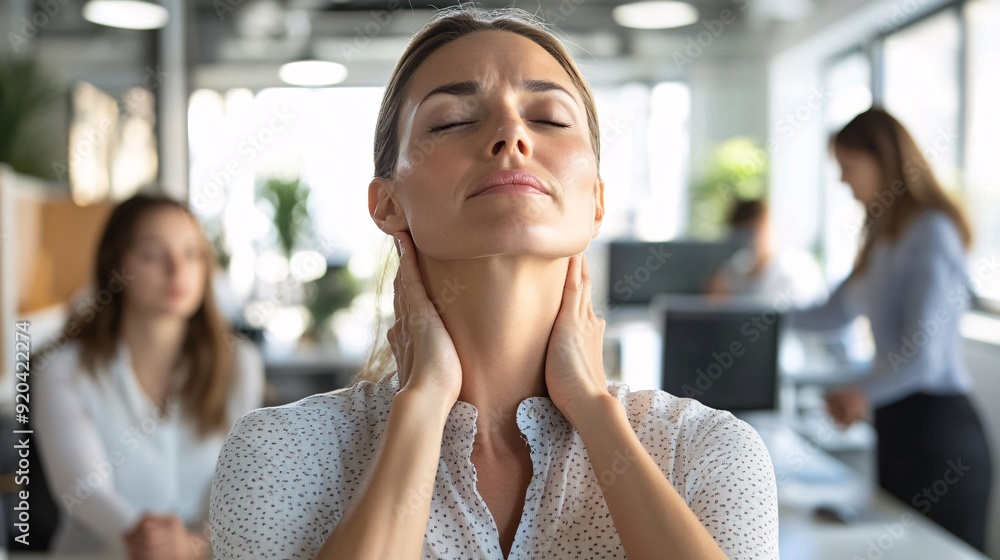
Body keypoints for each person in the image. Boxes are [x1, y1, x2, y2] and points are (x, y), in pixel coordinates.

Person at [210, 8, 778, 559]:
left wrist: (594, 409)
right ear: (387, 203)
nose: (511, 134)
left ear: (598, 200)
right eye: (453, 120)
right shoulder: (281, 453)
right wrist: (423, 404)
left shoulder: (703, 451)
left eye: (550, 118)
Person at [789, 108, 993, 552]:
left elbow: (924, 354)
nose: (843, 182)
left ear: (883, 160)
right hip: (898, 422)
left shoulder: (931, 232)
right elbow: (833, 312)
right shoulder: (883, 233)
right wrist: (755, 319)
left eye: (848, 168)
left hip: (937, 429)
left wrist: (860, 392)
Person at [34, 194, 265, 558]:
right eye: (152, 254)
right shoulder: (61, 369)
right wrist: (151, 542)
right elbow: (86, 492)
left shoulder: (240, 364)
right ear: (115, 265)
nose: (177, 269)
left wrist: (193, 546)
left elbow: (237, 483)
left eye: (191, 253)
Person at [708, 198, 825, 305]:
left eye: (752, 232)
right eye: (740, 234)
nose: (748, 241)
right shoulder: (734, 270)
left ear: (767, 228)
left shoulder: (795, 269)